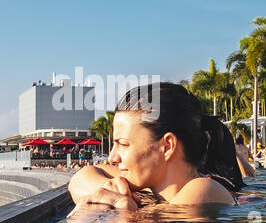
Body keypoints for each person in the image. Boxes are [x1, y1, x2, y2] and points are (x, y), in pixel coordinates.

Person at [69, 82, 242, 208]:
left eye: (123, 144)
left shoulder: (205, 189)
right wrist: (117, 192)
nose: (112, 157)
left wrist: (123, 206)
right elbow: (80, 178)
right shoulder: (152, 188)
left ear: (166, 146)